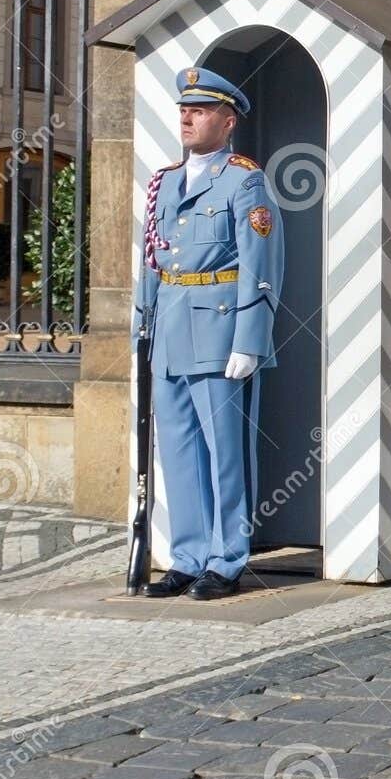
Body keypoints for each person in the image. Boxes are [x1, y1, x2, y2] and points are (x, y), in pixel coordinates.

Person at [135, 68, 284, 600]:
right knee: (178, 451)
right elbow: (152, 259)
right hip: (171, 330)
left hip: (222, 332)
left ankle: (226, 560)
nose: (187, 118)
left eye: (199, 111)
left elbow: (261, 264)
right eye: (184, 110)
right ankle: (187, 557)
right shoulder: (165, 180)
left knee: (226, 453)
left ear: (228, 121)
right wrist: (141, 323)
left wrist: (251, 338)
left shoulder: (244, 180)